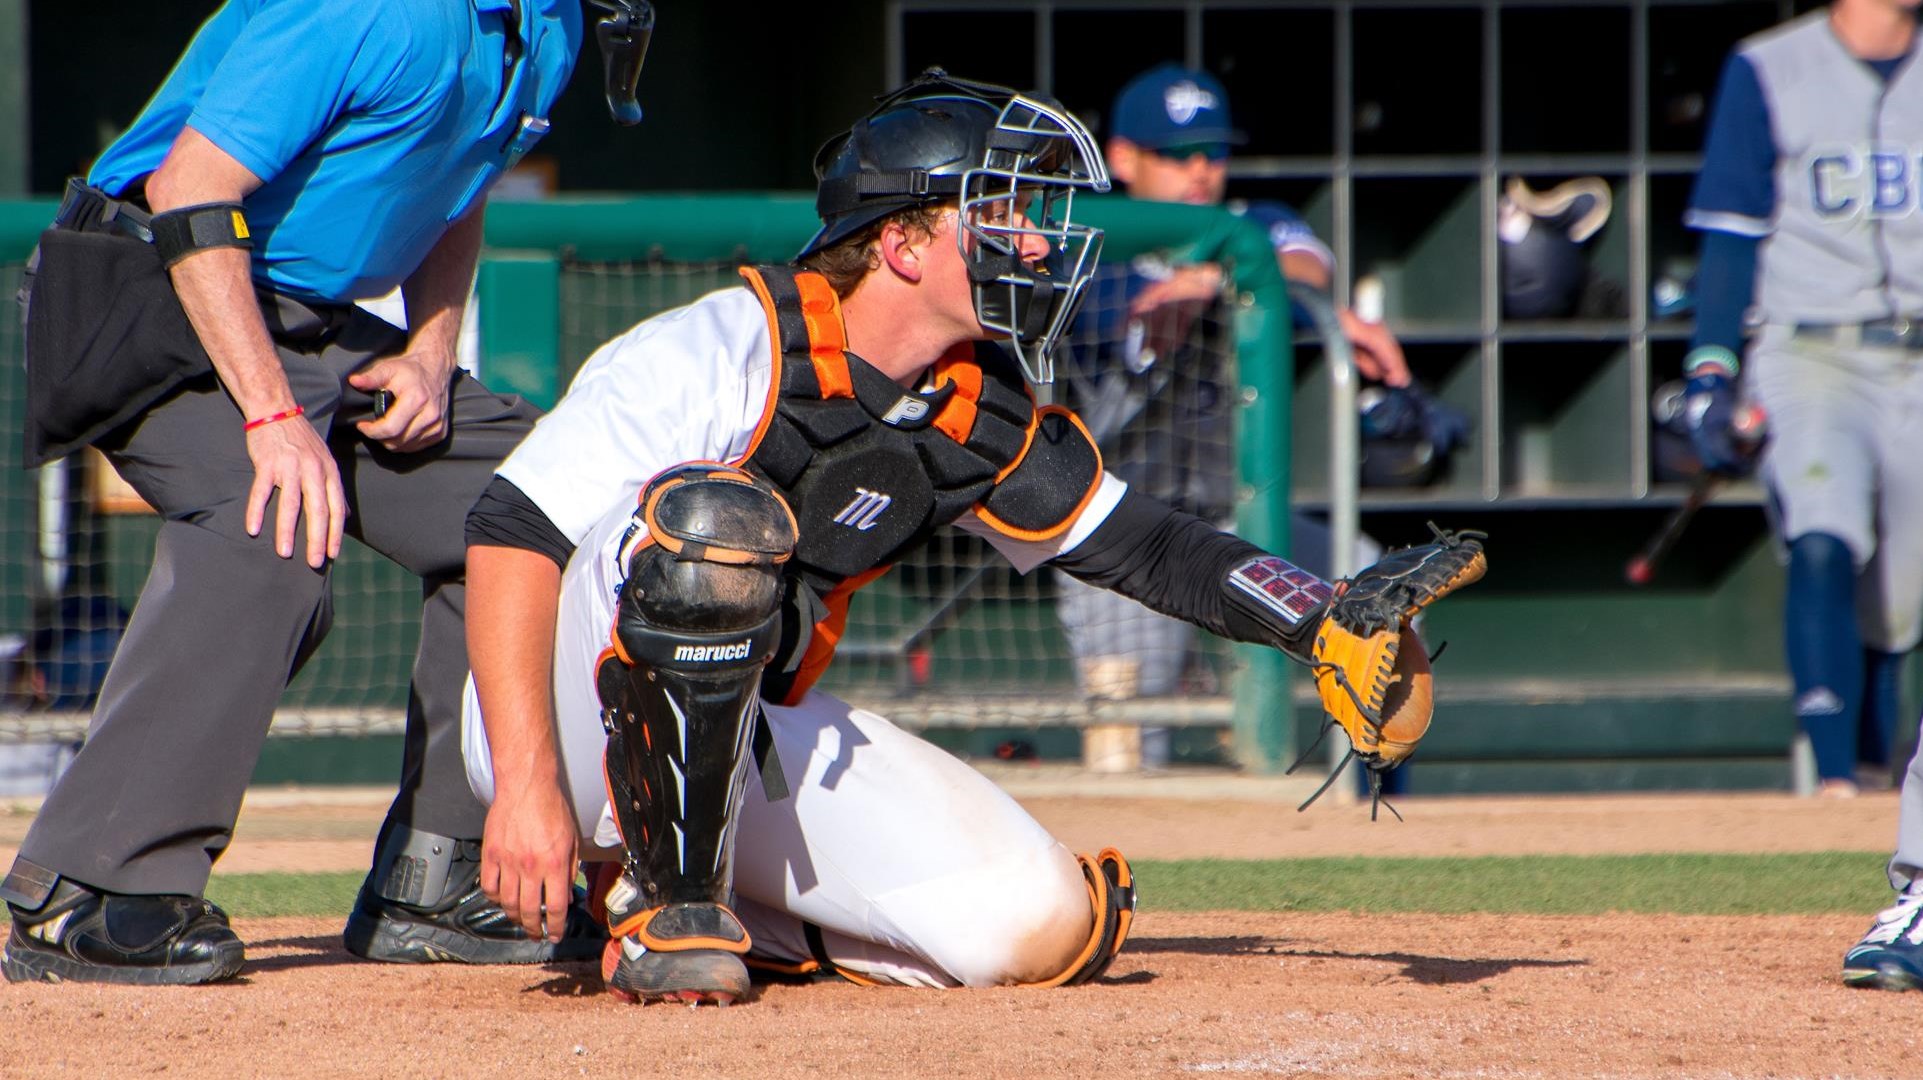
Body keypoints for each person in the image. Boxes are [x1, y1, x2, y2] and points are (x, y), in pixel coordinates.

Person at [459, 69, 1462, 1005]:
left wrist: (1317, 616)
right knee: (716, 523)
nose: (1035, 243)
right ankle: (665, 913)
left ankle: (711, 909)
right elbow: (511, 532)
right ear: (902, 244)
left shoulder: (974, 409)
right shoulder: (723, 347)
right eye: (1002, 213)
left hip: (739, 728)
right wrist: (527, 786)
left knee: (1037, 924)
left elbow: (1148, 546)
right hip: (563, 717)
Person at [0, 0, 637, 987]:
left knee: (537, 502)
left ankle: (436, 876)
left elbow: (455, 188)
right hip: (153, 290)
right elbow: (189, 190)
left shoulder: (548, 25)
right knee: (268, 527)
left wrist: (430, 353)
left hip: (317, 320)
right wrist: (271, 415)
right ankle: (86, 888)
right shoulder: (365, 8)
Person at [1052, 63, 1425, 704]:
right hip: (1126, 523)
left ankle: (1374, 761)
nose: (1199, 169)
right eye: (1176, 154)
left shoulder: (1251, 222)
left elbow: (1305, 264)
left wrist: (1220, 277)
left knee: (1386, 588)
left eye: (1213, 152)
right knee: (1125, 721)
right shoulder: (1087, 242)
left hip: (1245, 516)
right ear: (1124, 158)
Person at [1689, 0, 1923, 991]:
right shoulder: (1770, 67)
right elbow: (1730, 233)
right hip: (1810, 349)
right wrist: (1710, 368)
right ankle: (1834, 777)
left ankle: (1876, 764)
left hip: (1917, 354)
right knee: (1824, 535)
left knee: (1901, 605)